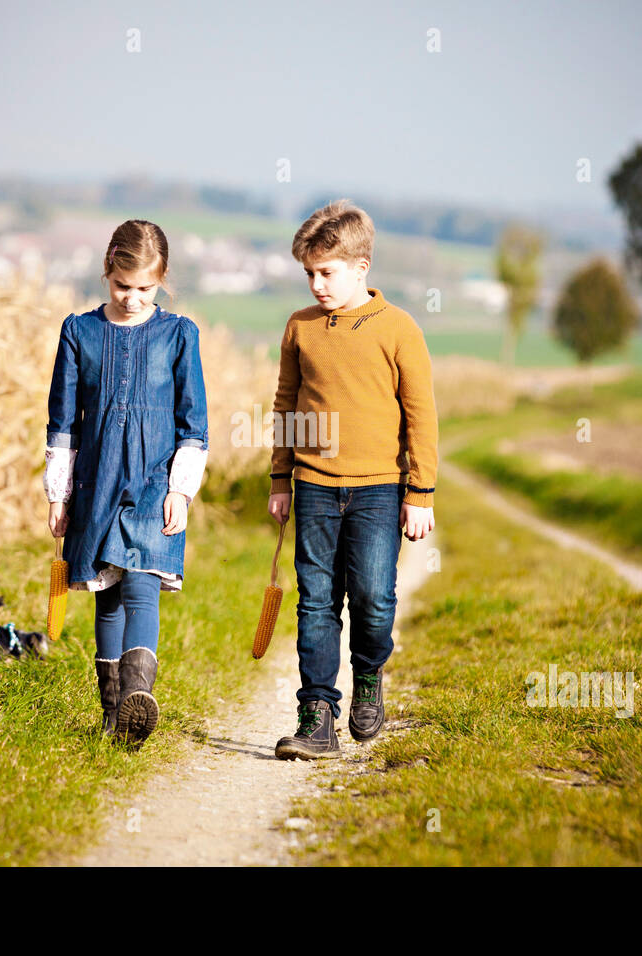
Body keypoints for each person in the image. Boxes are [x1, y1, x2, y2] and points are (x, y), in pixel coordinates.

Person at [268, 199, 438, 760]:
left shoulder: (399, 330)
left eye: (327, 273)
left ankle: (369, 677)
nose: (316, 285)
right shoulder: (301, 328)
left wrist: (420, 493)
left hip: (378, 488)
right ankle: (316, 715)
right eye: (309, 274)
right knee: (316, 600)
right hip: (314, 485)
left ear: (361, 268)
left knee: (372, 596)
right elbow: (286, 404)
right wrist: (279, 478)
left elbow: (421, 415)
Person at [43, 220, 209, 746]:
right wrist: (58, 494)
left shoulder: (179, 335)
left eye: (145, 288)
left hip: (154, 481)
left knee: (142, 583)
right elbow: (63, 422)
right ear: (106, 274)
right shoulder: (79, 333)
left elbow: (193, 423)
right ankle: (115, 714)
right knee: (106, 595)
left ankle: (140, 691)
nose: (133, 298)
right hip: (96, 482)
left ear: (161, 281)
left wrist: (180, 490)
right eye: (122, 286)